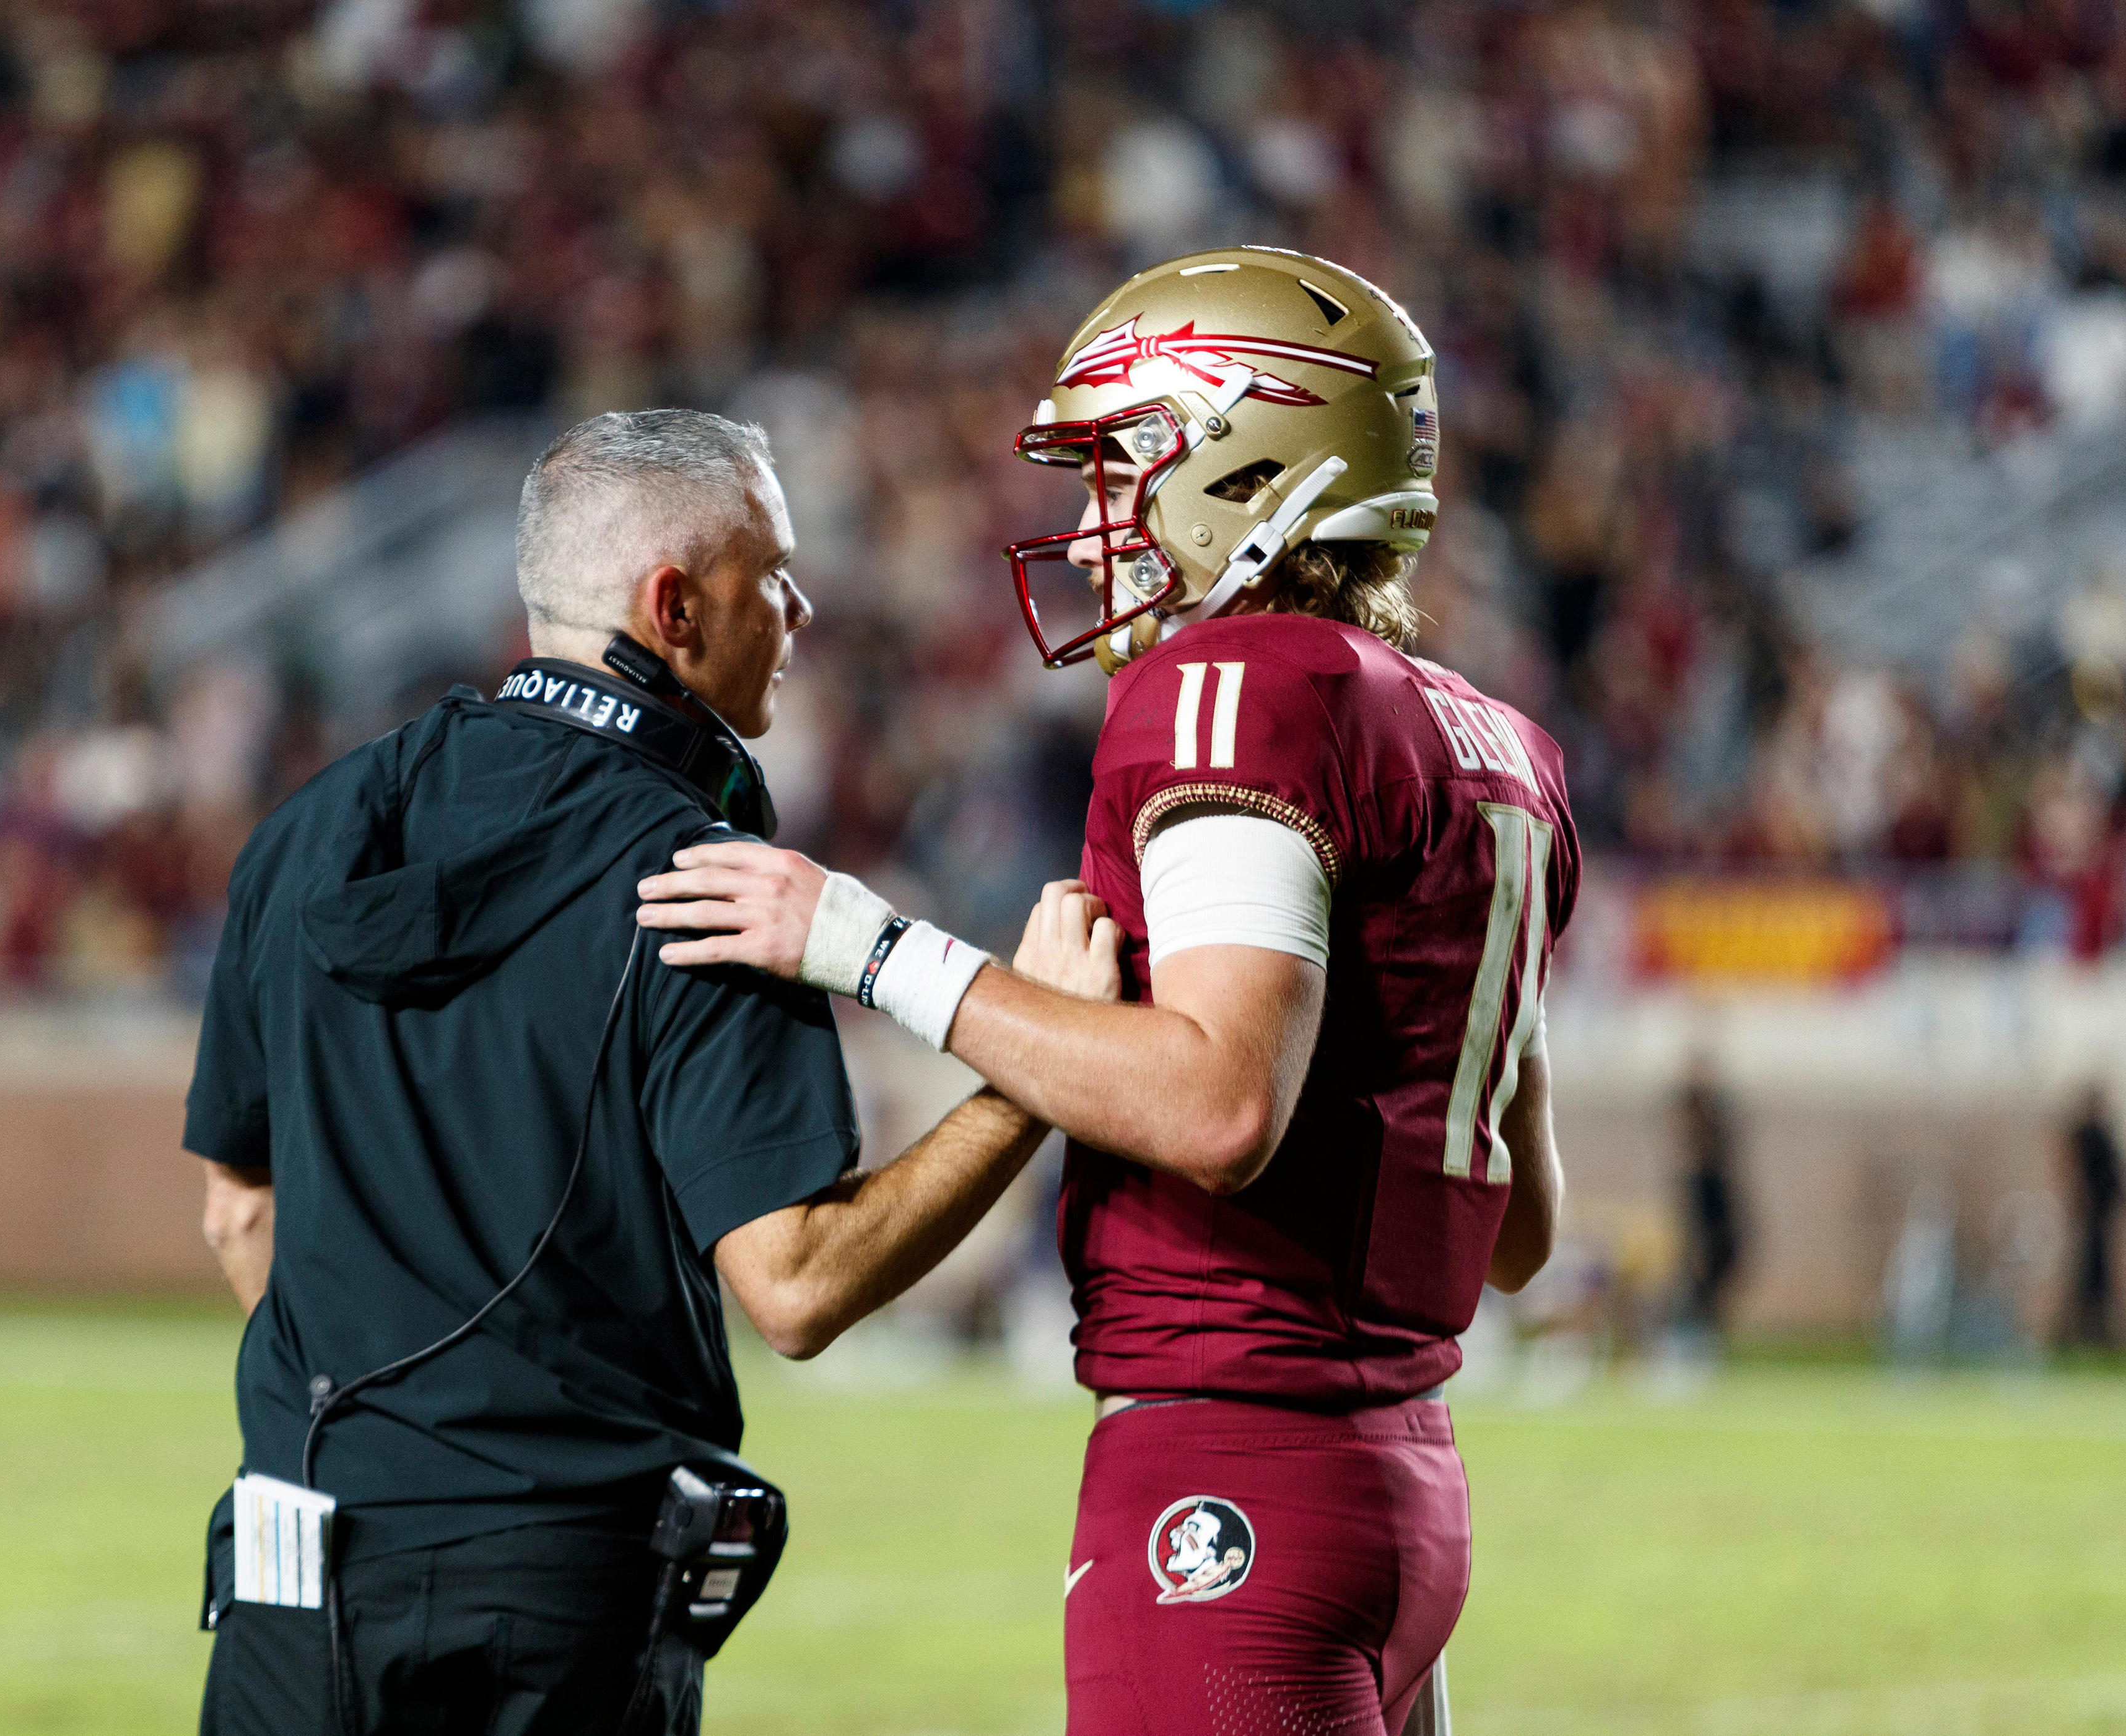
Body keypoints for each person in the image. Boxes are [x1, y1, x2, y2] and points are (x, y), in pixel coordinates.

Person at [638, 248, 1579, 1736]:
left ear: (1241, 456)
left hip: (1231, 1485)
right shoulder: (1496, 744)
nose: (1085, 534)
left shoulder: (1236, 688)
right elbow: (1515, 1228)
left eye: (1117, 467)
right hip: (1402, 1481)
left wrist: (867, 943)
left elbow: (1214, 1104)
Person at [185, 409, 1112, 1736]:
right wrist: (1028, 1086)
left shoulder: (308, 829)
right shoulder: (713, 882)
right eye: (771, 572)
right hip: (556, 1596)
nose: (801, 604)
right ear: (673, 605)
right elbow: (794, 1282)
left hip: (291, 1576)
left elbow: (239, 1206)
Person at [1675, 1048, 1746, 1345]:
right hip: (1705, 1205)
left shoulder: (1717, 1172)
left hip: (1717, 1207)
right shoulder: (1696, 1178)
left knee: (1714, 1272)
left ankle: (1703, 1334)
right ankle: (1695, 1337)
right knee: (1698, 1277)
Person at [2063, 1083, 2126, 1350]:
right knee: (2089, 1275)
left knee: (2100, 1275)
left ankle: (2100, 1334)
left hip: (2103, 1216)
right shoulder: (2086, 1136)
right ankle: (2082, 1334)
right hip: (2092, 1217)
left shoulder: (2103, 1135)